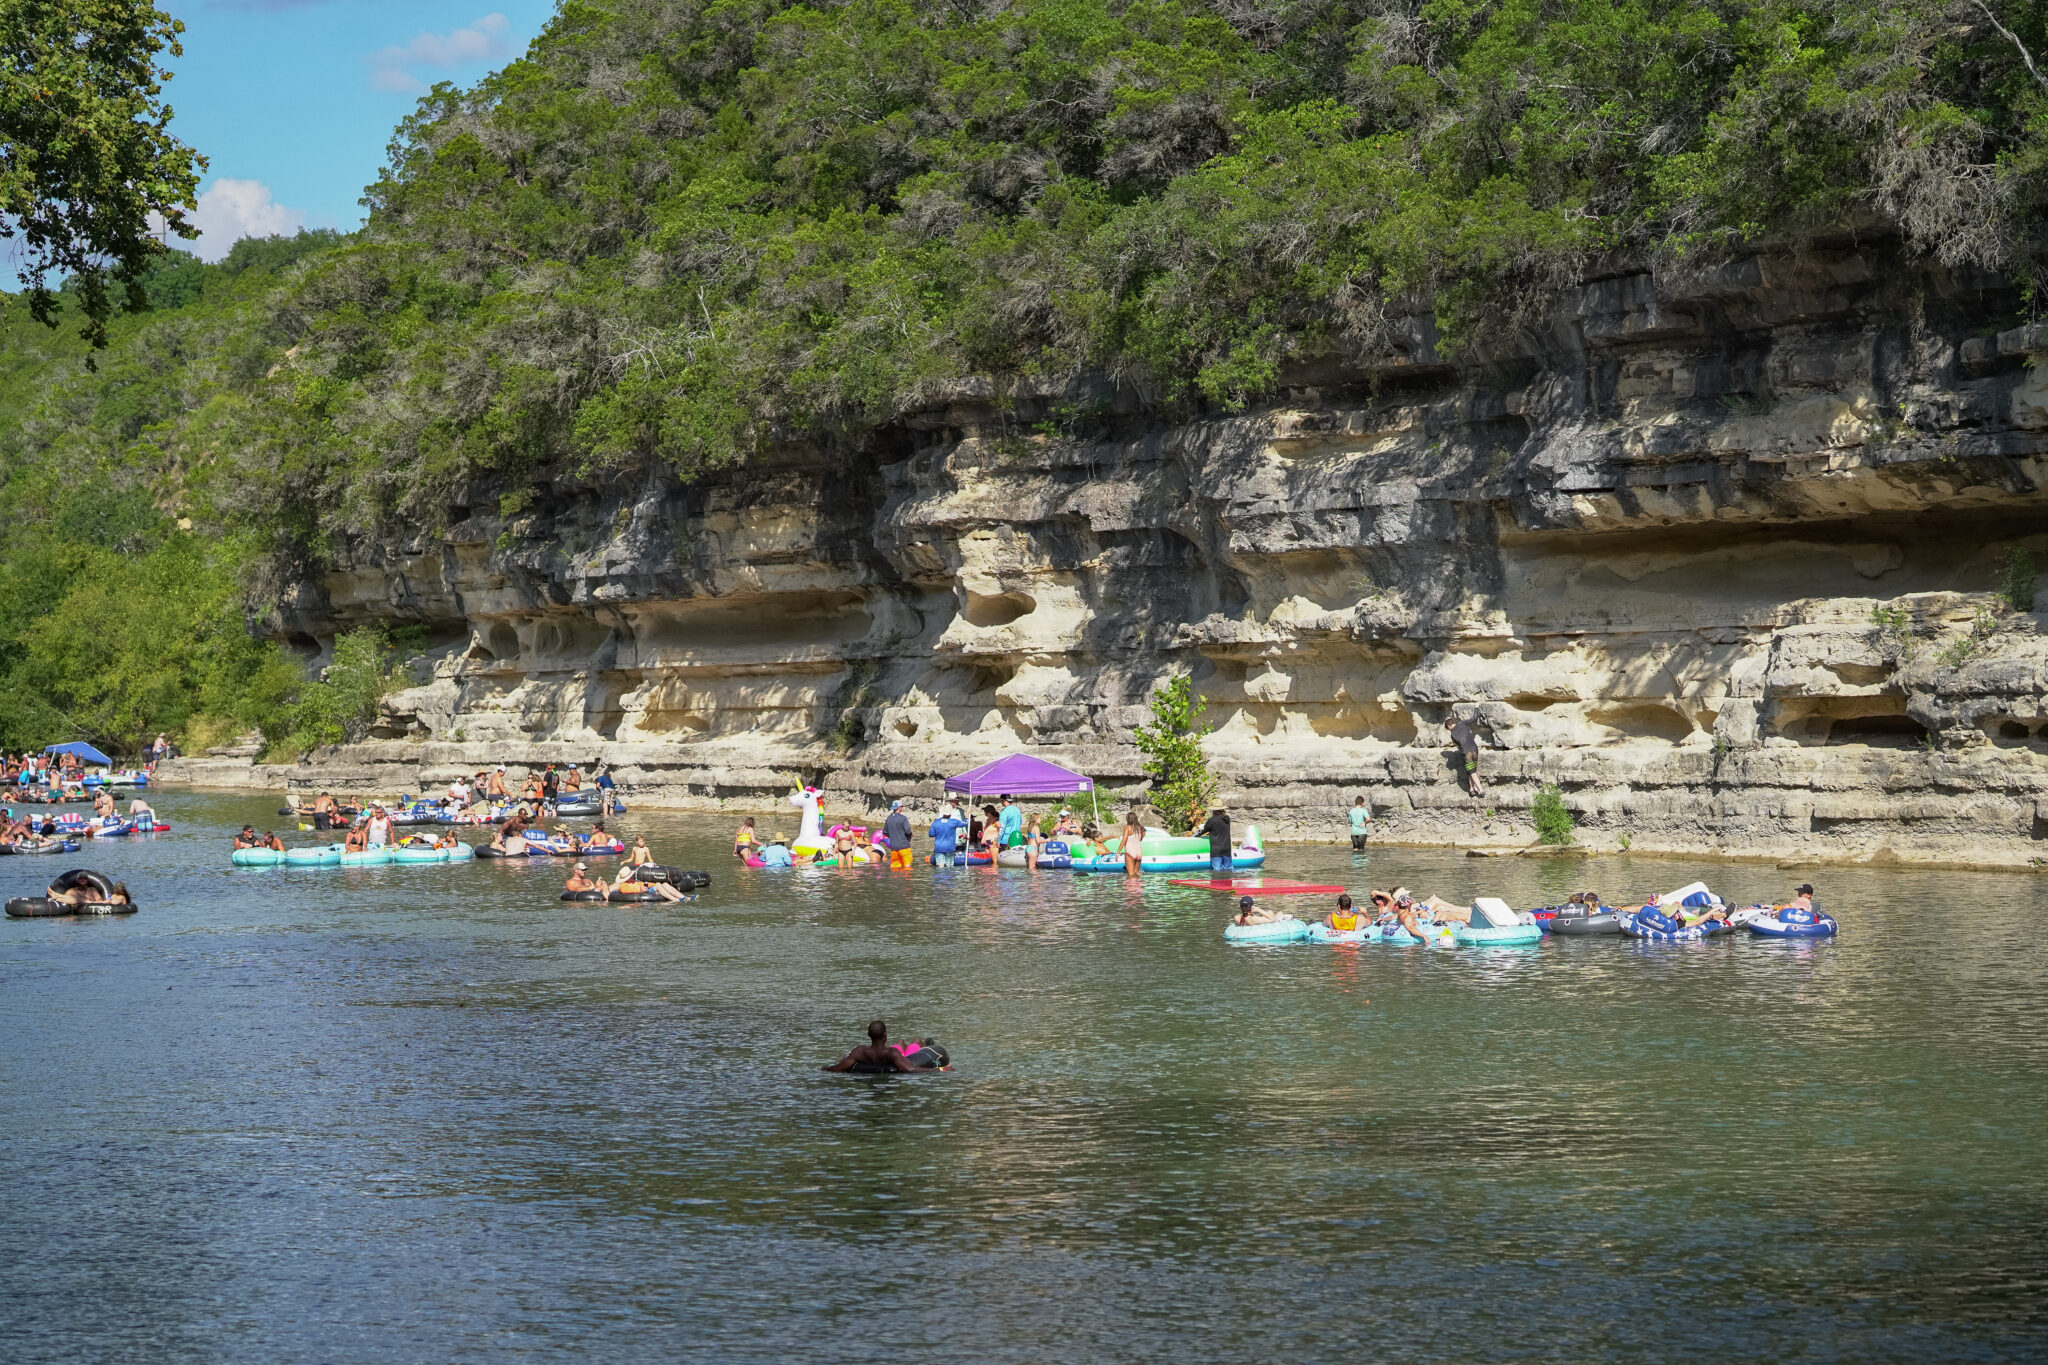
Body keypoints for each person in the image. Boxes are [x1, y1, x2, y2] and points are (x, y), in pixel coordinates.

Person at [822, 1020, 948, 1073]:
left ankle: (925, 1045)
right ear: (885, 1035)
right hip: (904, 1058)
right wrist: (939, 1070)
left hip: (894, 1055)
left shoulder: (859, 1051)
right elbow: (909, 1068)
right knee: (916, 1040)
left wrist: (825, 1068)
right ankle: (926, 1045)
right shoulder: (891, 1053)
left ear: (868, 1035)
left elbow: (839, 1067)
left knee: (900, 1042)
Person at [1444, 715, 1485, 796]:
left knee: (1472, 772)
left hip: (1467, 753)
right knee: (1471, 770)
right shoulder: (1462, 723)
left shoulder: (1453, 735)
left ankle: (1481, 790)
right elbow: (1473, 719)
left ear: (1448, 726)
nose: (1449, 730)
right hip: (1475, 750)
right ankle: (1471, 789)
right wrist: (1477, 713)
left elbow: (1460, 744)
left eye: (1448, 729)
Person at [1191, 802, 1233, 873]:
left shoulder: (1212, 820)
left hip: (1217, 850)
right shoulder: (1227, 819)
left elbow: (1203, 830)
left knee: (1217, 871)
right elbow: (1219, 829)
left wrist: (1193, 836)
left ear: (1214, 811)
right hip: (1227, 849)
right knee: (1229, 869)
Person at [881, 799, 914, 870]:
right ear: (899, 807)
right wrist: (911, 835)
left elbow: (885, 832)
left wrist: (893, 835)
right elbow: (908, 831)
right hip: (904, 847)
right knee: (907, 868)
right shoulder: (903, 818)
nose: (902, 808)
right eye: (901, 806)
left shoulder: (889, 818)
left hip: (894, 848)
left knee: (895, 869)